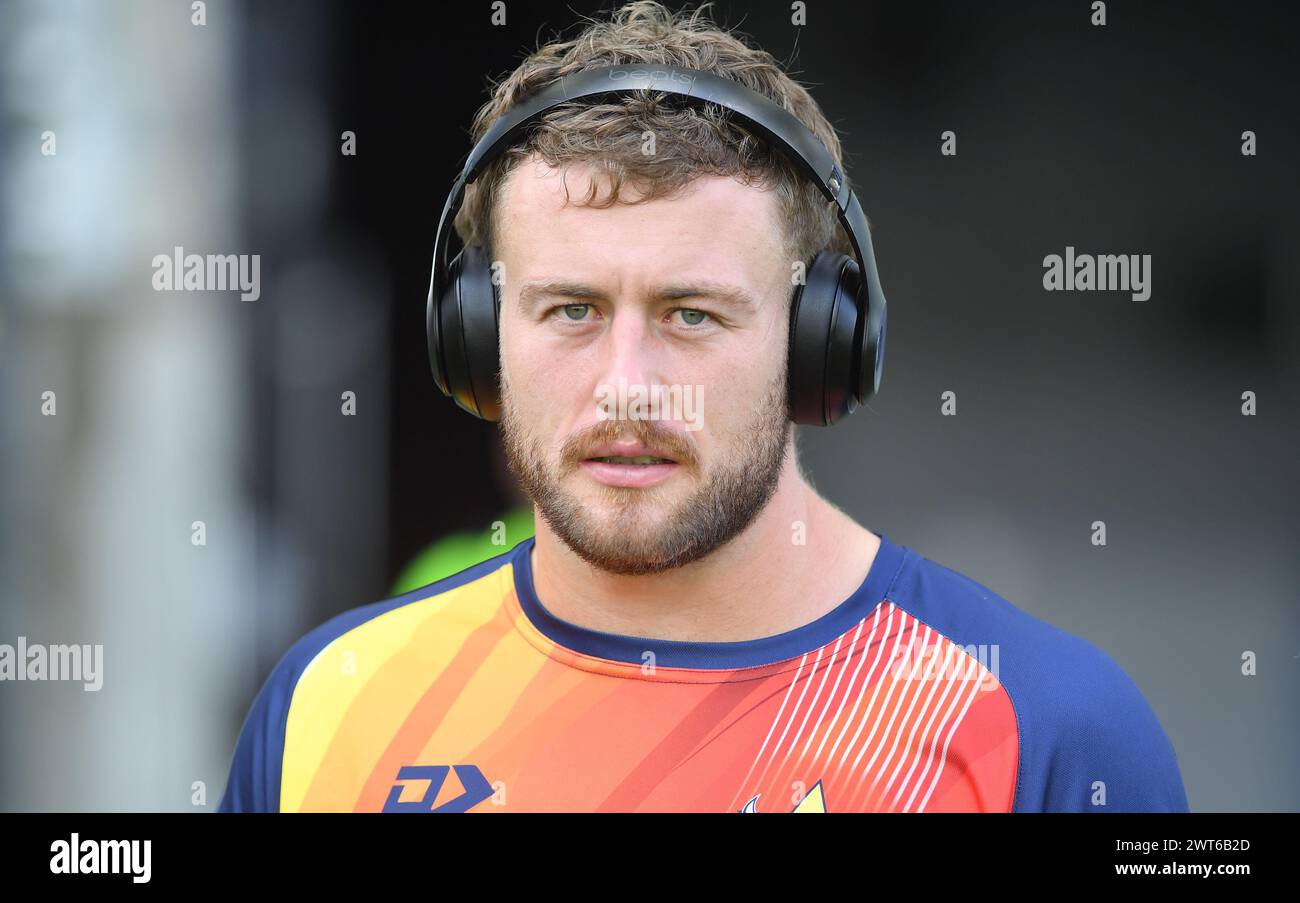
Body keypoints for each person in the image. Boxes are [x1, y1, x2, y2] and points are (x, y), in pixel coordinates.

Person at [218, 1, 1188, 813]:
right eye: (569, 310)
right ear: (478, 339)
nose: (628, 381)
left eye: (691, 313)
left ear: (816, 345)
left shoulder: (1049, 729)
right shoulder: (327, 710)